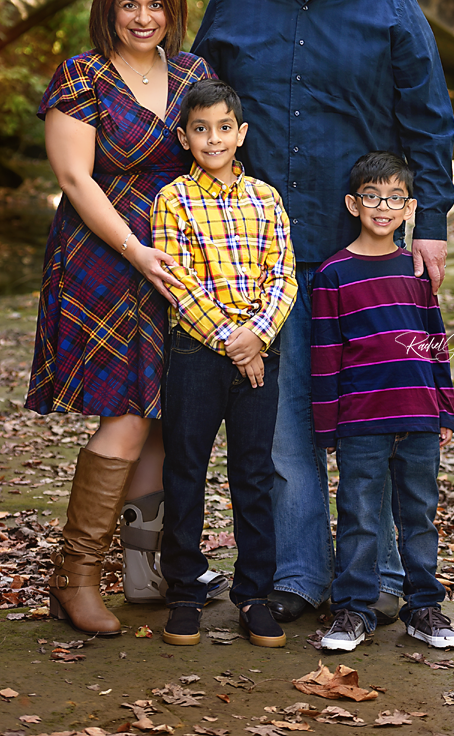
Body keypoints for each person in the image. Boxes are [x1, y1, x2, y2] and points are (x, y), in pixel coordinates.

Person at [191, 0, 454, 623]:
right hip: (261, 254)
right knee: (283, 427)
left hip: (365, 256)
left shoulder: (390, 4)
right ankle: (302, 577)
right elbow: (199, 110)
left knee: (383, 420)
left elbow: (429, 122)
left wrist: (429, 227)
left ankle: (387, 579)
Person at [26, 0, 217, 636]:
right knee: (132, 410)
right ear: (109, 7)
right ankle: (73, 577)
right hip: (106, 256)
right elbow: (77, 180)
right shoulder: (82, 76)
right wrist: (137, 251)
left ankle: (146, 574)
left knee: (166, 411)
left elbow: (218, 155)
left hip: (179, 256)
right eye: (130, 4)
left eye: (156, 5)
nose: (144, 17)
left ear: (174, 9)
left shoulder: (194, 73)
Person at [151, 79, 298, 647]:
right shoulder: (173, 200)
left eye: (223, 128)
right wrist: (230, 339)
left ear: (241, 133)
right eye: (200, 129)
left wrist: (256, 337)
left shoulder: (266, 199)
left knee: (253, 473)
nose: (213, 139)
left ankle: (253, 594)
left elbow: (282, 277)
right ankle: (185, 591)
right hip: (195, 352)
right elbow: (176, 282)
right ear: (185, 137)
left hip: (260, 352)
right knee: (185, 469)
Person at [311, 151, 454, 653]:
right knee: (358, 516)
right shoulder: (334, 274)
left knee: (419, 515)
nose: (383, 206)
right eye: (373, 197)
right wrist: (327, 425)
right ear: (354, 203)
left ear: (409, 207)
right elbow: (327, 355)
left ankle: (424, 607)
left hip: (418, 417)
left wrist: (444, 407)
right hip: (362, 421)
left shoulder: (417, 271)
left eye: (395, 198)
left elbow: (434, 342)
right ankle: (353, 611)